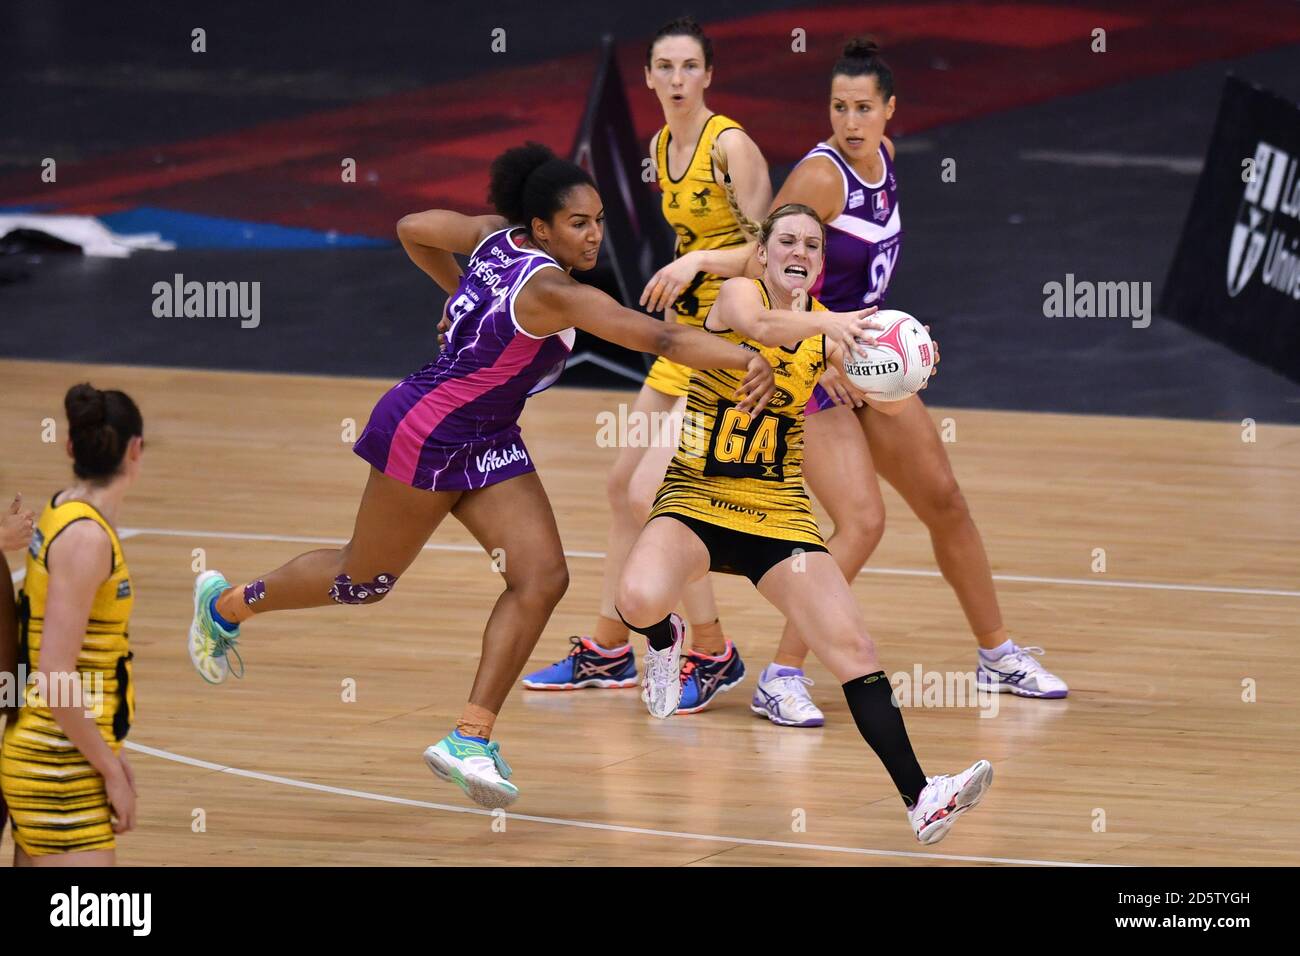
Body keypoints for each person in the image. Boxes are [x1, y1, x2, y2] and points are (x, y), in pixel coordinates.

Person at [185, 143, 775, 810]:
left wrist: (459, 291)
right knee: (362, 581)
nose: (594, 234)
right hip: (429, 431)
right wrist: (746, 359)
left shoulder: (493, 237)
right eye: (578, 223)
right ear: (542, 228)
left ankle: (471, 737)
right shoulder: (554, 291)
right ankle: (226, 605)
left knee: (543, 576)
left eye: (600, 219)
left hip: (487, 434)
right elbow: (661, 340)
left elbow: (411, 228)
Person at [644, 38, 1068, 728]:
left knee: (948, 502)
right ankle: (781, 678)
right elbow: (766, 255)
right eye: (839, 106)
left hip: (870, 363)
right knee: (862, 522)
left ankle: (998, 654)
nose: (850, 120)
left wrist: (872, 351)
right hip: (814, 371)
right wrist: (813, 338)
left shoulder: (886, 160)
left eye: (863, 107)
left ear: (889, 110)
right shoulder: (821, 176)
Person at [617, 203, 992, 843]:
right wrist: (833, 322)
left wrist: (904, 370)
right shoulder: (739, 294)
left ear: (819, 263)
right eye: (786, 240)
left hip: (777, 512)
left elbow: (884, 403)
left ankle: (922, 796)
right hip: (696, 499)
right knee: (637, 596)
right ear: (762, 253)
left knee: (854, 650)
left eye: (812, 246)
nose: (799, 251)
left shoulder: (824, 338)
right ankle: (663, 639)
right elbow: (761, 322)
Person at [522, 15, 771, 713]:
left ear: (709, 75)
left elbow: (771, 254)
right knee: (618, 485)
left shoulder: (732, 147)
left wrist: (695, 260)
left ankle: (712, 650)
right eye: (666, 66)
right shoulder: (661, 146)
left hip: (727, 347)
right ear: (650, 77)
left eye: (691, 66)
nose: (678, 78)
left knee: (654, 497)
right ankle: (608, 648)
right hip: (679, 341)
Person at [1, 386, 143, 864]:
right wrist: (110, 771)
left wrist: (107, 751)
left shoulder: (64, 508)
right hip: (57, 765)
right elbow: (56, 674)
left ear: (70, 448)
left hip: (57, 751)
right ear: (135, 450)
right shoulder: (85, 539)